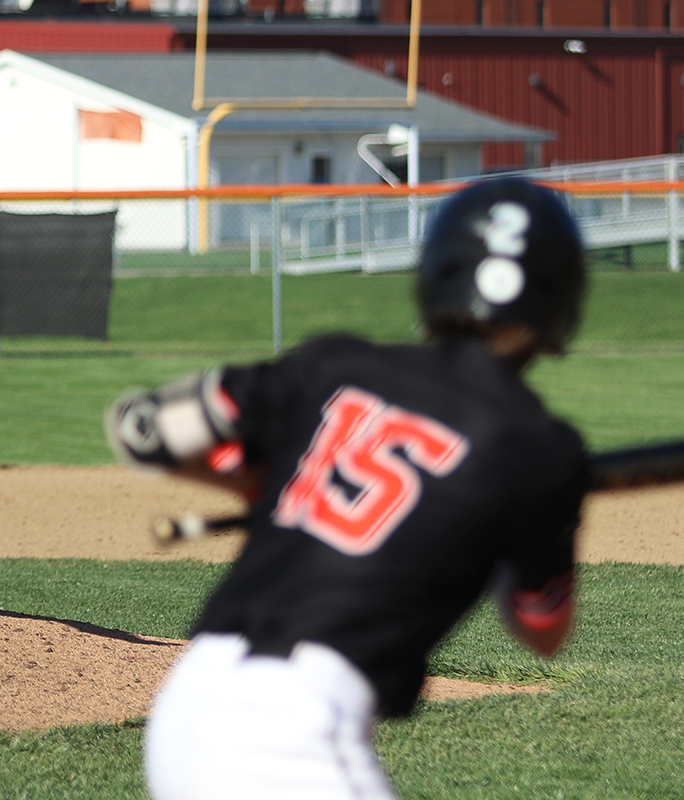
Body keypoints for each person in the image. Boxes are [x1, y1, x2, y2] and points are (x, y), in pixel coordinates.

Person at [105, 177, 588, 800]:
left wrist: (260, 484)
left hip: (188, 700)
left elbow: (142, 430)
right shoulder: (540, 447)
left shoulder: (334, 365)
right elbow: (542, 628)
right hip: (291, 731)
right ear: (562, 298)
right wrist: (511, 521)